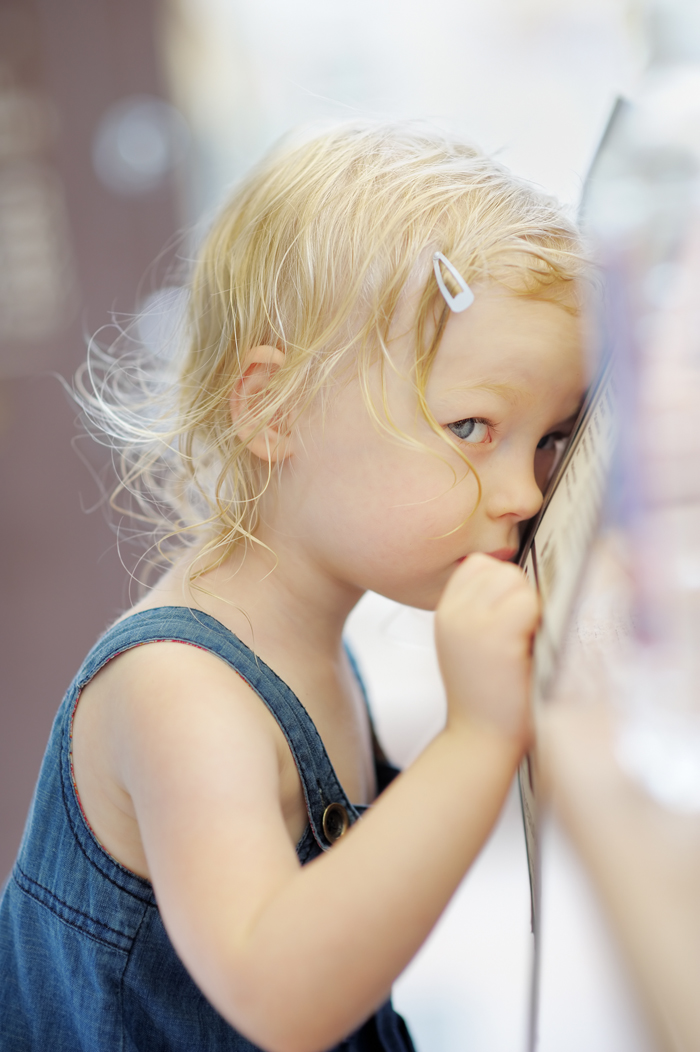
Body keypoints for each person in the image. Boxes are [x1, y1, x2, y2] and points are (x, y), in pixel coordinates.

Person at [0, 121, 586, 1052]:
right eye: (472, 427)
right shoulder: (179, 694)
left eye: (549, 440)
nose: (523, 493)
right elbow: (283, 997)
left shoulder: (304, 639)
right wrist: (478, 736)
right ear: (273, 407)